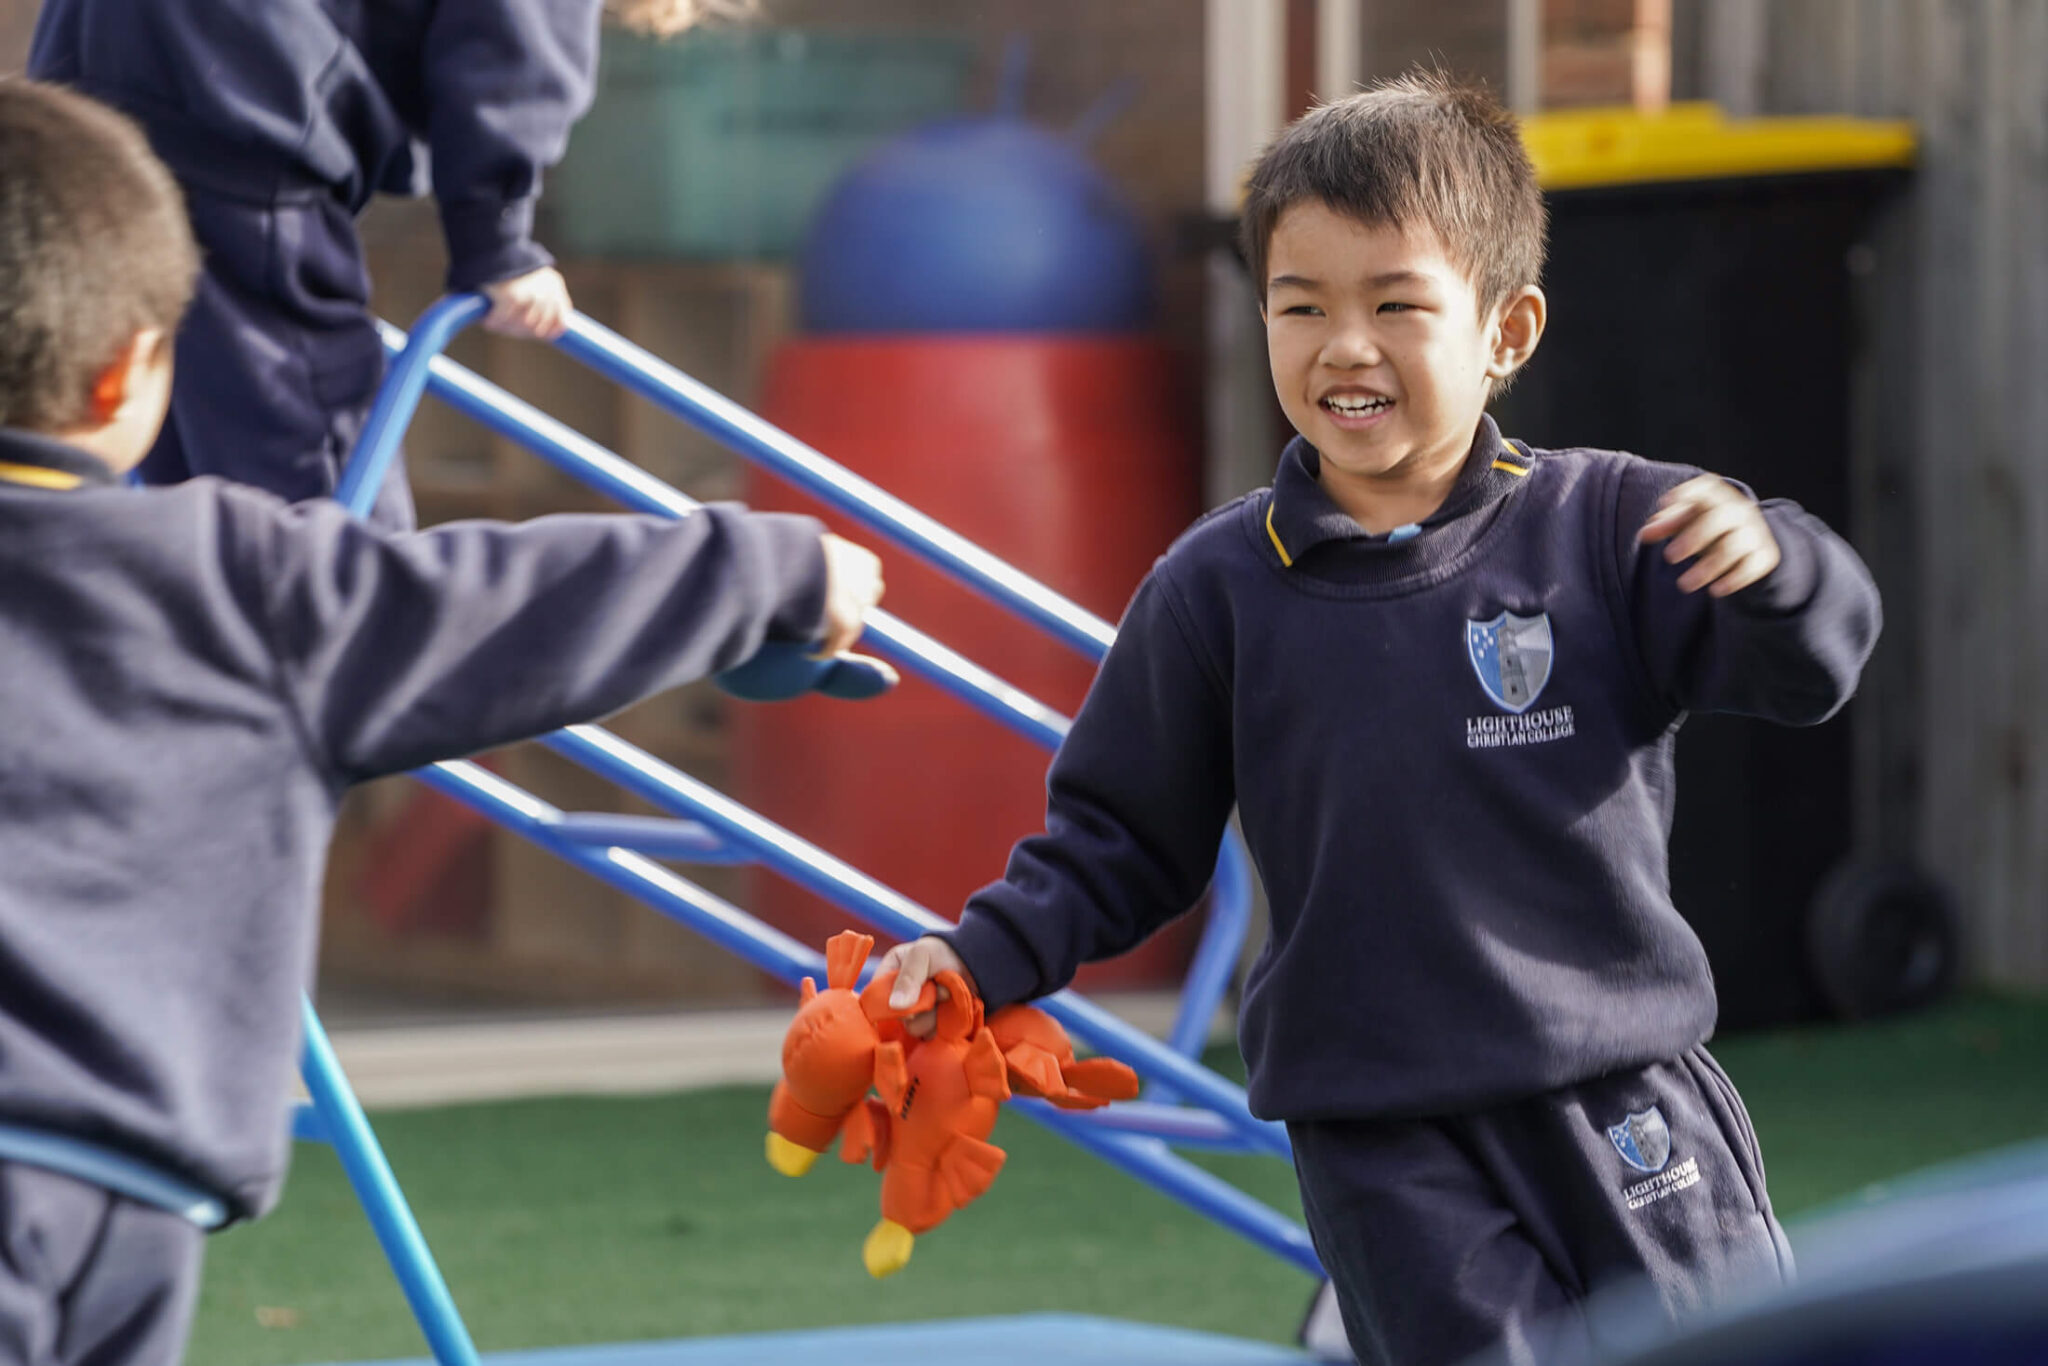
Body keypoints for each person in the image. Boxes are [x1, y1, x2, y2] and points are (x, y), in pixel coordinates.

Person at [881, 70, 1882, 1366]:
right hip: (1382, 1131)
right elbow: (1118, 839)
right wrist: (975, 959)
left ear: (1505, 332)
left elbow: (1811, 667)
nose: (1344, 345)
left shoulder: (1614, 528)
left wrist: (1777, 562)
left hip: (1618, 1092)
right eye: (1301, 307)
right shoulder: (1216, 591)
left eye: (1396, 304)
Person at [0, 78, 879, 1364]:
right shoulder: (240, 577)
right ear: (129, 372)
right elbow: (500, 605)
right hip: (128, 1177)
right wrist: (778, 572)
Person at [25, 0, 749, 531]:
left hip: (90, 112)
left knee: (169, 473)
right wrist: (499, 243)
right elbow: (514, 52)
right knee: (318, 494)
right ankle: (332, 717)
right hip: (240, 118)